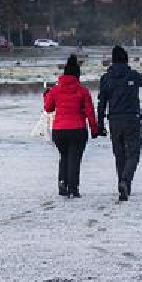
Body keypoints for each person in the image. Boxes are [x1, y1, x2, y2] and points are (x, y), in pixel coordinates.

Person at [97, 45, 142, 201]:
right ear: (126, 59)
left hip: (114, 120)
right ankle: (125, 181)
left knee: (119, 154)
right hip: (132, 119)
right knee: (133, 153)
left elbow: (101, 103)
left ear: (113, 60)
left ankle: (122, 183)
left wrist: (99, 124)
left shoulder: (106, 78)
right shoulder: (131, 75)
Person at [43, 54, 100, 198]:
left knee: (64, 156)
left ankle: (62, 183)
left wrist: (46, 95)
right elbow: (90, 113)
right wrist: (94, 130)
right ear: (77, 75)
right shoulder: (83, 90)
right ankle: (73, 189)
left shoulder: (55, 90)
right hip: (77, 130)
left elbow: (48, 109)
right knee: (74, 158)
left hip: (59, 131)